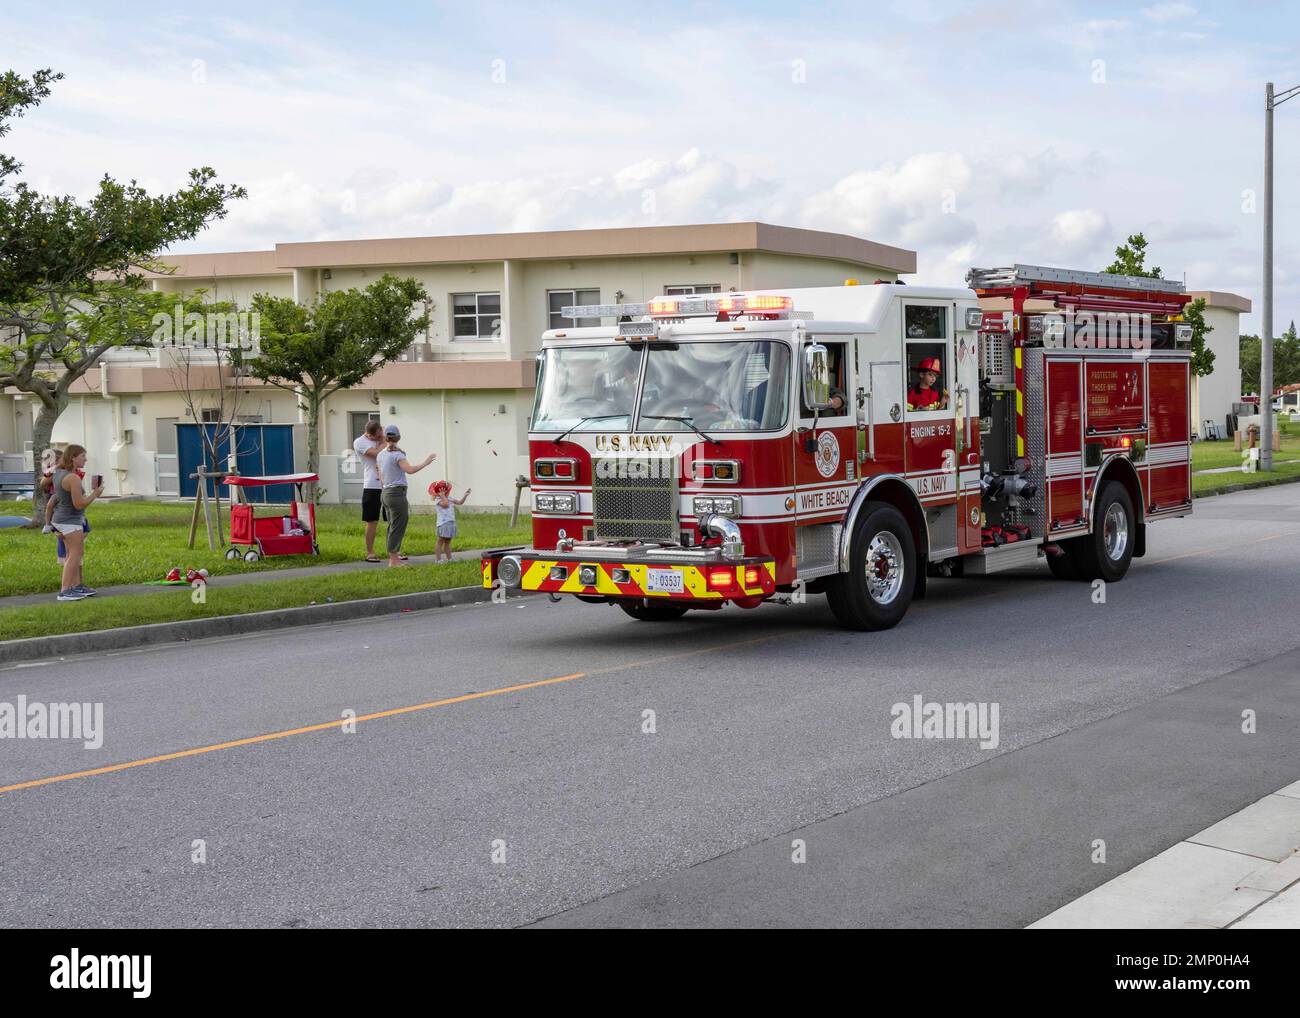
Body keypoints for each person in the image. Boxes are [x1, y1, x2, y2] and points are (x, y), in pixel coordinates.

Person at [48, 444, 103, 601]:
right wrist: (95, 493)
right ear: (73, 457)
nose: (85, 459)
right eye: (83, 456)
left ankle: (76, 586)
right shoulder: (73, 478)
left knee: (73, 554)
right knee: (74, 555)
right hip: (69, 521)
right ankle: (65, 591)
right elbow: (79, 504)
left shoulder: (59, 473)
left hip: (61, 519)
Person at [376, 425, 435, 567]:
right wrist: (426, 462)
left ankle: (394, 557)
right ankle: (393, 560)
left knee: (392, 525)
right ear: (398, 437)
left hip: (385, 493)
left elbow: (380, 475)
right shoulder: (397, 455)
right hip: (396, 494)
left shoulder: (381, 454)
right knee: (397, 526)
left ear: (385, 437)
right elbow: (410, 470)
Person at [353, 420, 385, 562]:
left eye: (380, 434)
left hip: (388, 484)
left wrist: (384, 440)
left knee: (393, 519)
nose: (377, 438)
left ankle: (395, 551)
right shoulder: (360, 442)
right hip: (372, 485)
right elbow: (377, 454)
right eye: (375, 437)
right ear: (369, 434)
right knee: (372, 520)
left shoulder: (382, 437)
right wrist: (385, 441)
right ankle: (370, 552)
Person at [430, 480, 470, 563]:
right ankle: (438, 560)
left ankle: (449, 559)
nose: (448, 491)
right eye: (447, 490)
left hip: (451, 522)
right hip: (443, 523)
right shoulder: (438, 500)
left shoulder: (449, 498)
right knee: (440, 541)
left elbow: (460, 502)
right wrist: (443, 496)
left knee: (448, 542)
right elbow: (446, 504)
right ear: (442, 491)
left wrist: (465, 495)